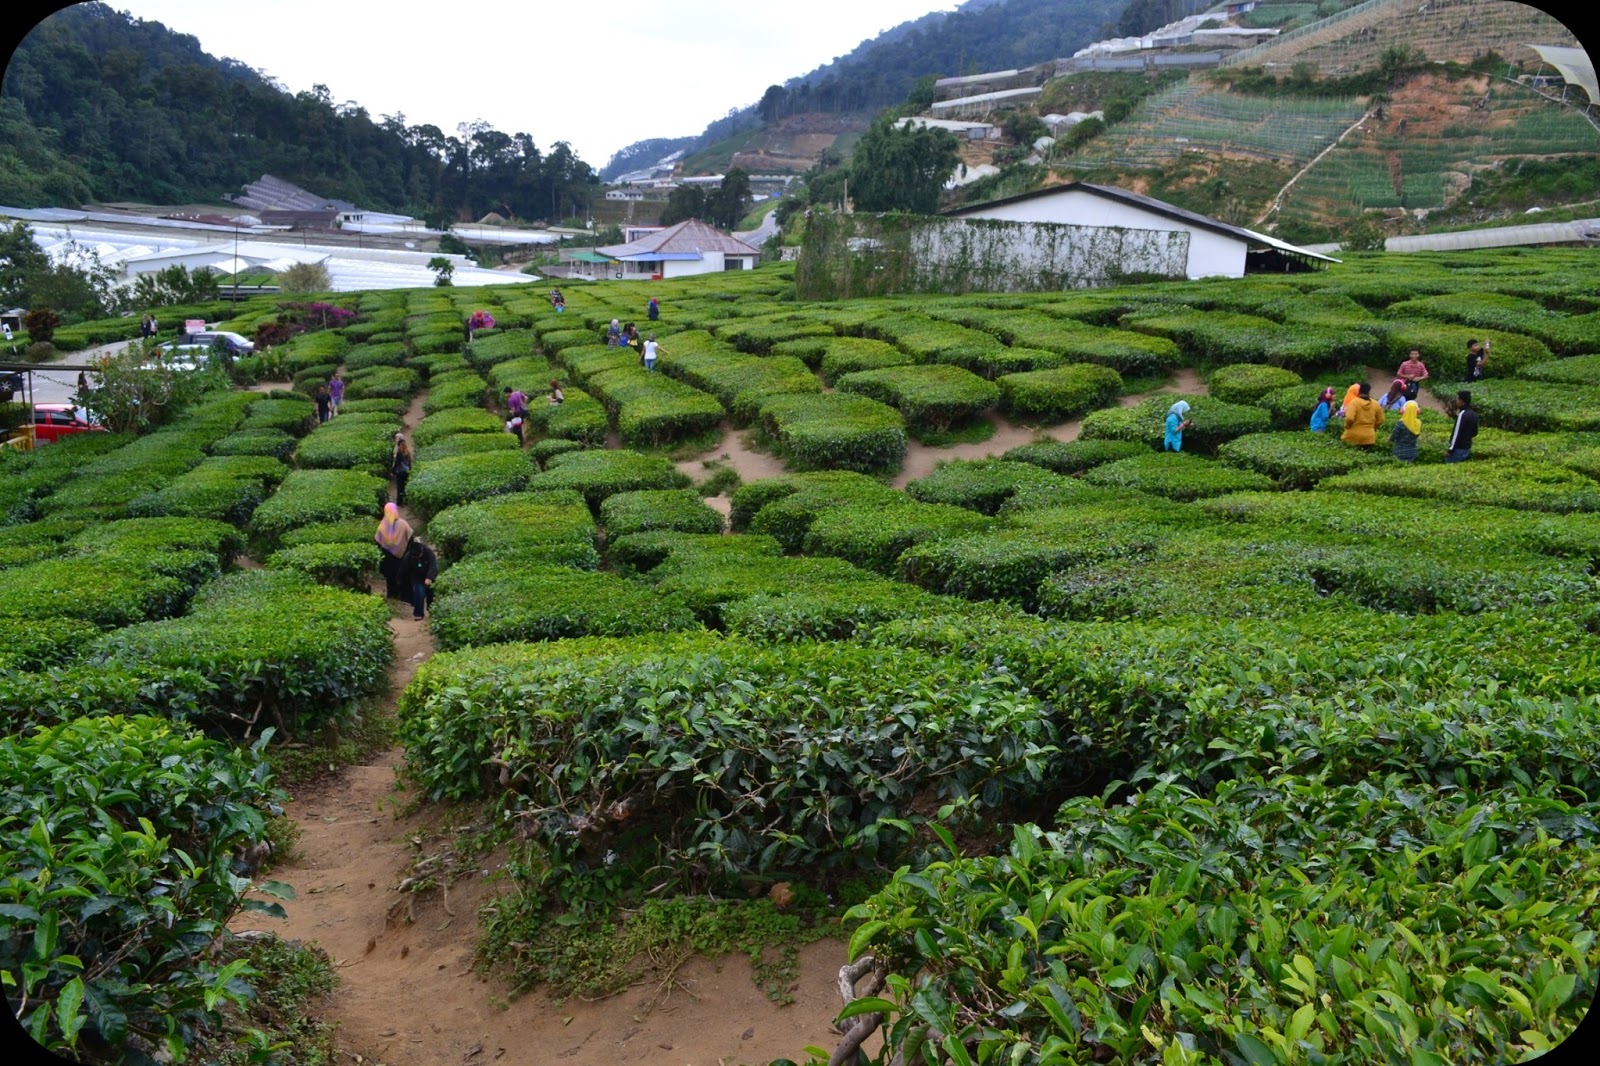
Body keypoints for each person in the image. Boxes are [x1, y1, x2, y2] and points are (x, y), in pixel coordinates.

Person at [373, 502, 413, 599]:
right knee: (403, 578)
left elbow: (377, 542)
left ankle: (392, 596)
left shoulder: (383, 525)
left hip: (387, 559)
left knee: (390, 579)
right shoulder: (403, 524)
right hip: (401, 557)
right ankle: (404, 597)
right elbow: (410, 538)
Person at [1340, 382, 1385, 447]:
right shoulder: (1376, 404)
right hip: (1369, 438)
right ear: (1369, 392)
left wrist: (1347, 426)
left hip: (1352, 436)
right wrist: (1373, 428)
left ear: (1359, 391)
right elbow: (1381, 420)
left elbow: (1349, 418)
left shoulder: (1354, 403)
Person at [404, 537, 438, 621]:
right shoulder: (408, 556)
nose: (416, 557)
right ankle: (418, 613)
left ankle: (431, 610)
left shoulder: (429, 552)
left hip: (429, 575)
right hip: (416, 577)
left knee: (430, 594)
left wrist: (429, 577)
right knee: (419, 592)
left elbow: (433, 566)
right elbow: (404, 569)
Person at [1445, 390, 1478, 462]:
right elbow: (1475, 433)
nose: (1456, 401)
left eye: (1457, 399)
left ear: (1461, 401)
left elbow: (1456, 434)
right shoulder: (1473, 414)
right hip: (1467, 448)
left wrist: (1450, 450)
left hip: (1458, 449)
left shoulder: (1462, 414)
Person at [391, 433, 413, 504]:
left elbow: (397, 463)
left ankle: (399, 502)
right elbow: (409, 462)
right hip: (406, 471)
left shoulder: (399, 453)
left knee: (400, 486)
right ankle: (405, 500)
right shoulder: (407, 452)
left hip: (400, 472)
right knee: (404, 485)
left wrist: (393, 471)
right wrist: (410, 470)